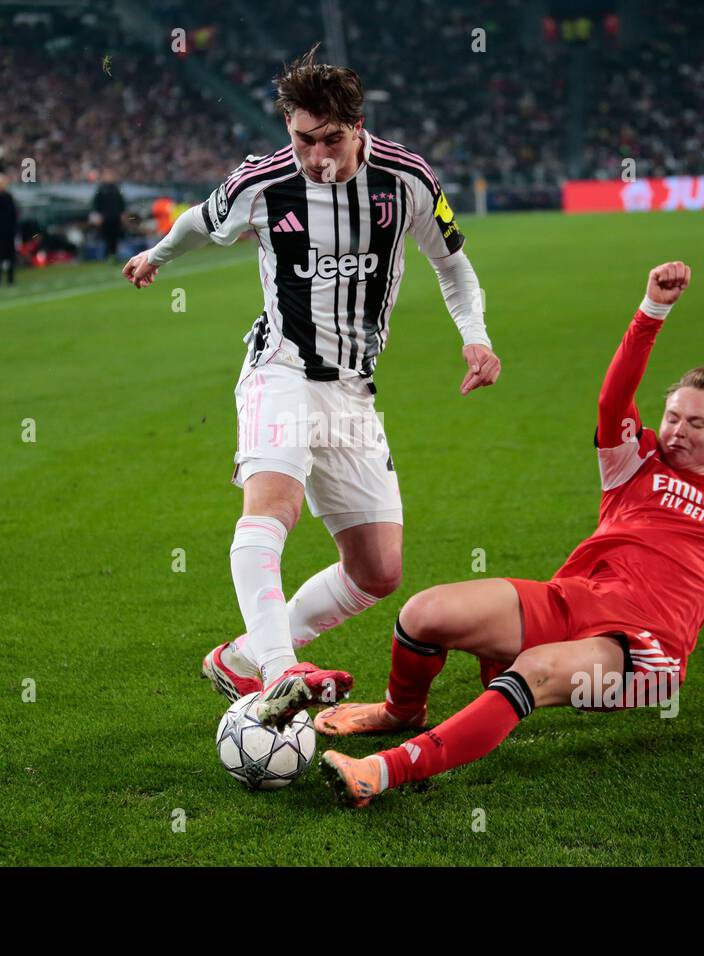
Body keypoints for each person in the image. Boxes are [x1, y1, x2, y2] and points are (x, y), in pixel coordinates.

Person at [317, 261, 704, 808]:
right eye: (673, 417)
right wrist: (651, 310)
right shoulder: (637, 461)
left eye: (697, 422)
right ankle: (403, 712)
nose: (680, 430)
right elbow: (614, 400)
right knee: (424, 613)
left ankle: (382, 773)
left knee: (532, 671)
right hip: (572, 600)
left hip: (644, 650)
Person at [121, 45, 502, 727]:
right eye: (303, 139)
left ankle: (243, 657)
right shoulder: (261, 181)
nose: (317, 156)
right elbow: (198, 221)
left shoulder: (406, 178)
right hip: (282, 367)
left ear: (358, 128)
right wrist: (155, 255)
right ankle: (277, 671)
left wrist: (476, 336)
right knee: (272, 507)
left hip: (354, 390)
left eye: (330, 139)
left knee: (379, 571)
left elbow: (454, 266)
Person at [92, 169, 126, 259]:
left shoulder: (117, 188)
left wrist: (122, 214)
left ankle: (114, 255)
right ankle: (107, 255)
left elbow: (121, 202)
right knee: (106, 236)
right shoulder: (101, 189)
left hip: (116, 216)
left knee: (115, 236)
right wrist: (98, 215)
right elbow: (96, 203)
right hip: (105, 217)